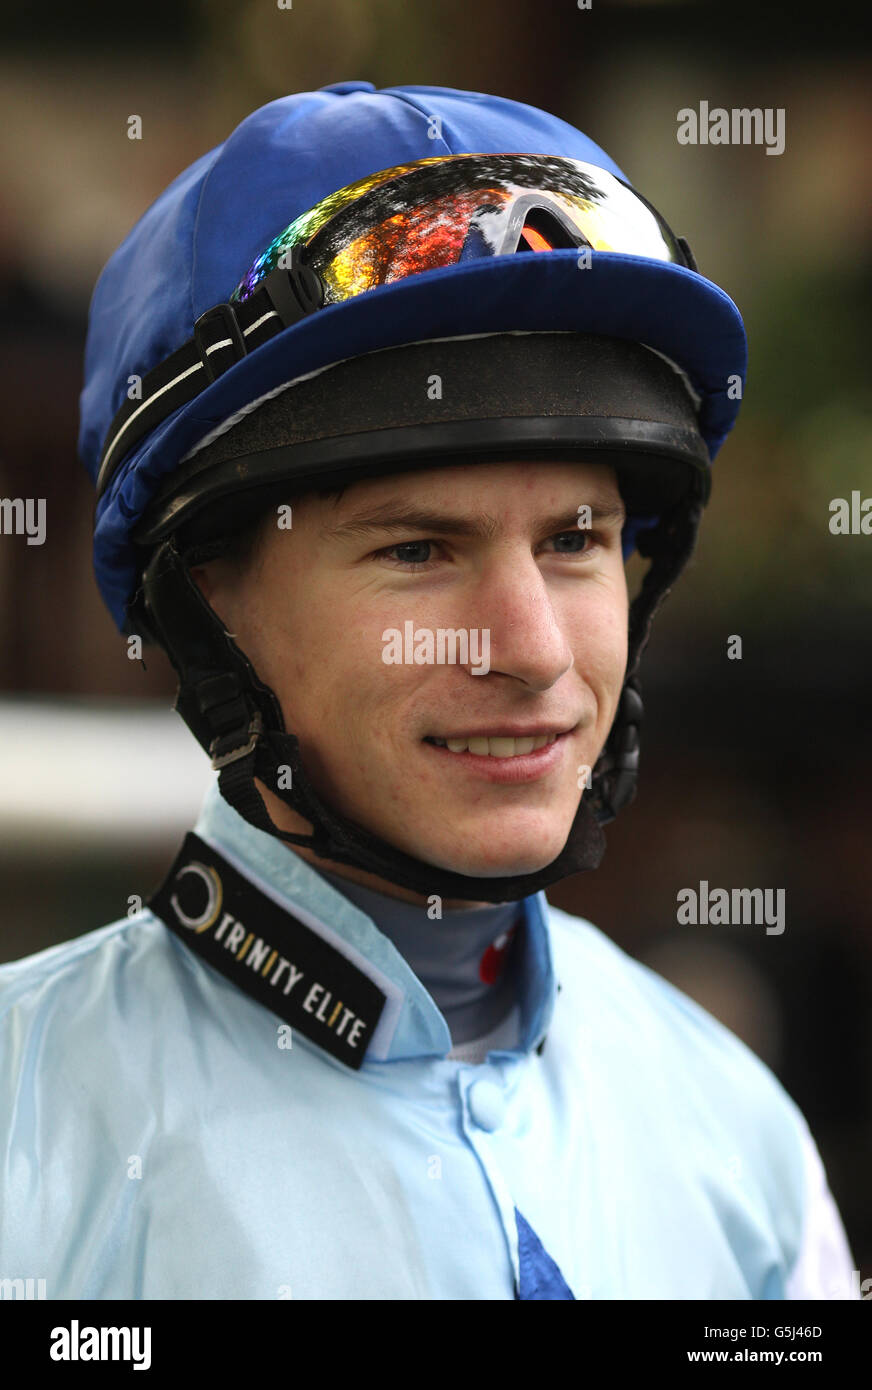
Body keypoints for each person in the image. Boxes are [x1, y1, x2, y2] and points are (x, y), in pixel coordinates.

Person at [0, 81, 858, 1300]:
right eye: (416, 550)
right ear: (200, 605)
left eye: (574, 540)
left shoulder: (734, 1132)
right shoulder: (24, 1143)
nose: (534, 650)